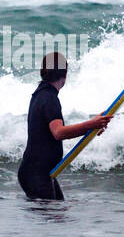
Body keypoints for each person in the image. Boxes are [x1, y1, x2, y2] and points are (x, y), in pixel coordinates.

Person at [17, 52, 112, 200]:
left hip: (37, 173)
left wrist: (93, 126)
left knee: (58, 214)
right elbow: (59, 133)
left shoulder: (40, 94)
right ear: (65, 75)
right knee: (54, 219)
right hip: (37, 175)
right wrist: (90, 124)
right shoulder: (50, 99)